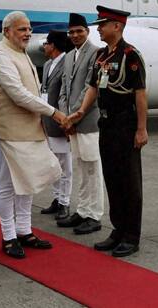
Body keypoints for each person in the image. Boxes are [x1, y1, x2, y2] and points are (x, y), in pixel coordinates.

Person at [0, 11, 68, 259]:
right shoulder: (0, 55)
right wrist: (54, 113)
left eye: (29, 29)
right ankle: (8, 236)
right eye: (22, 29)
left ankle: (24, 231)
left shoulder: (19, 53)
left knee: (28, 182)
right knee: (8, 185)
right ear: (7, 31)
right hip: (8, 131)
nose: (28, 33)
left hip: (29, 129)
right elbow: (17, 94)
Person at [72, 6, 148, 258]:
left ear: (117, 26)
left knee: (129, 182)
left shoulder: (131, 55)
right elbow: (94, 87)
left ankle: (131, 235)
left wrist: (141, 129)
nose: (99, 29)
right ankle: (118, 229)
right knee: (113, 180)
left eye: (103, 24)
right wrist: (82, 112)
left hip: (125, 126)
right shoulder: (102, 56)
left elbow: (140, 94)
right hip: (105, 124)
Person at [57, 13, 104, 235]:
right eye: (72, 32)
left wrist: (74, 114)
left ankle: (95, 215)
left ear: (87, 31)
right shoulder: (68, 57)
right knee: (81, 167)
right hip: (72, 122)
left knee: (93, 169)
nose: (75, 35)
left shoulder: (96, 53)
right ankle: (83, 210)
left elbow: (90, 87)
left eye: (79, 31)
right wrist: (65, 116)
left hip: (88, 120)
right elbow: (64, 89)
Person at [40, 30, 73, 221]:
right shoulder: (46, 65)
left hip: (60, 121)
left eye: (47, 43)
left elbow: (66, 94)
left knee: (65, 166)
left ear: (53, 45)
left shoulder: (67, 63)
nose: (44, 46)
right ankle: (56, 198)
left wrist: (66, 120)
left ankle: (65, 202)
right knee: (53, 165)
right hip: (47, 121)